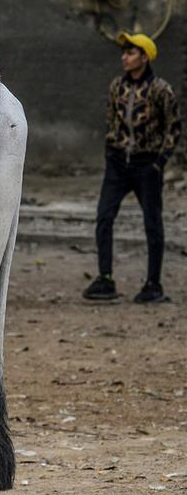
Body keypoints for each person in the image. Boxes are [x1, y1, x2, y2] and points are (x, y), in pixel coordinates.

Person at [83, 32, 180, 302]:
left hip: (146, 165)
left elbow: (173, 129)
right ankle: (105, 278)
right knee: (104, 216)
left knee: (152, 223)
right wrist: (110, 153)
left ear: (145, 57)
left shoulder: (162, 90)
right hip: (117, 164)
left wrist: (159, 162)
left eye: (131, 52)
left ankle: (153, 284)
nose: (124, 57)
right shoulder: (117, 86)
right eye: (124, 52)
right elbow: (110, 121)